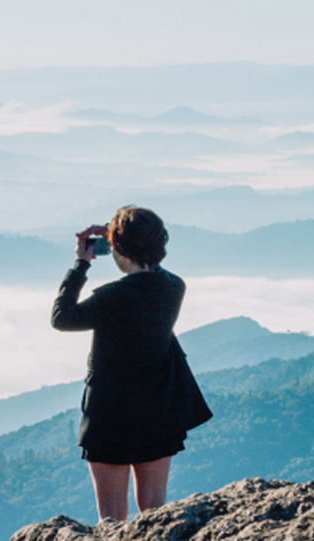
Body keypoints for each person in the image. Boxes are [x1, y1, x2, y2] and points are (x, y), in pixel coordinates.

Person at [51, 205, 212, 522]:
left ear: (119, 249)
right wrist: (119, 236)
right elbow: (149, 279)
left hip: (110, 413)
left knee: (111, 519)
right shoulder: (174, 287)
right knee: (155, 511)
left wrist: (80, 265)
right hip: (158, 408)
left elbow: (61, 318)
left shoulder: (112, 297)